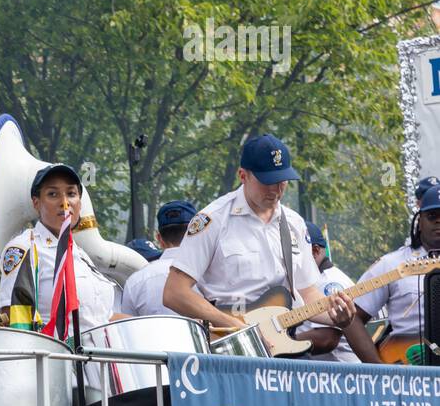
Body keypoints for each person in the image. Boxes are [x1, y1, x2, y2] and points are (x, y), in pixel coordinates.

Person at [163, 134, 354, 335]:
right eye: (267, 181)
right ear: (243, 176)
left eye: (282, 181)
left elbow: (306, 293)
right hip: (231, 344)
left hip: (283, 344)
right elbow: (174, 292)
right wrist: (233, 325)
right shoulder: (212, 220)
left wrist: (336, 317)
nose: (276, 190)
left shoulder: (294, 224)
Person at [0, 163, 121, 331]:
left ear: (80, 203)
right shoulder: (25, 248)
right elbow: (14, 319)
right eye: (53, 194)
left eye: (71, 194)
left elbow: (98, 318)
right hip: (57, 355)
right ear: (36, 203)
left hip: (103, 354)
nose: (64, 202)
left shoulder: (80, 254)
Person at [350, 184, 440, 364]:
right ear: (419, 221)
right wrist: (380, 371)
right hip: (407, 369)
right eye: (432, 216)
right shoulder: (392, 264)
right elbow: (352, 317)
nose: (439, 221)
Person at [293, 221, 367, 362]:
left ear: (315, 251)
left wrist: (281, 343)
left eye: (296, 253)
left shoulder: (329, 283)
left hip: (339, 376)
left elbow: (326, 339)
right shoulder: (311, 280)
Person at [121, 200, 197, 318]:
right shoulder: (212, 273)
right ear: (197, 234)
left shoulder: (135, 281)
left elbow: (126, 328)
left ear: (159, 238)